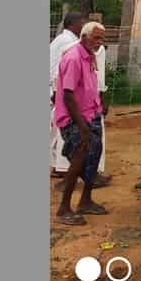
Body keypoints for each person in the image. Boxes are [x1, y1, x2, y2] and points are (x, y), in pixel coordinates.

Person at [54, 22, 108, 226]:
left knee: (94, 155)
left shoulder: (89, 57)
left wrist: (99, 106)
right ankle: (63, 208)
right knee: (79, 158)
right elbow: (68, 95)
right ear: (84, 37)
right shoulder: (74, 58)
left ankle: (85, 200)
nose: (99, 42)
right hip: (75, 118)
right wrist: (82, 127)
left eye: (102, 38)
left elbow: (88, 87)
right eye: (96, 38)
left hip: (90, 115)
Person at [49, 12, 84, 177]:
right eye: (81, 23)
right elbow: (58, 69)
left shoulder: (62, 40)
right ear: (72, 25)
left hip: (56, 89)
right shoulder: (68, 42)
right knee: (62, 129)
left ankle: (58, 165)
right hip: (57, 90)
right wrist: (57, 91)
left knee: (57, 130)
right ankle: (60, 167)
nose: (84, 26)